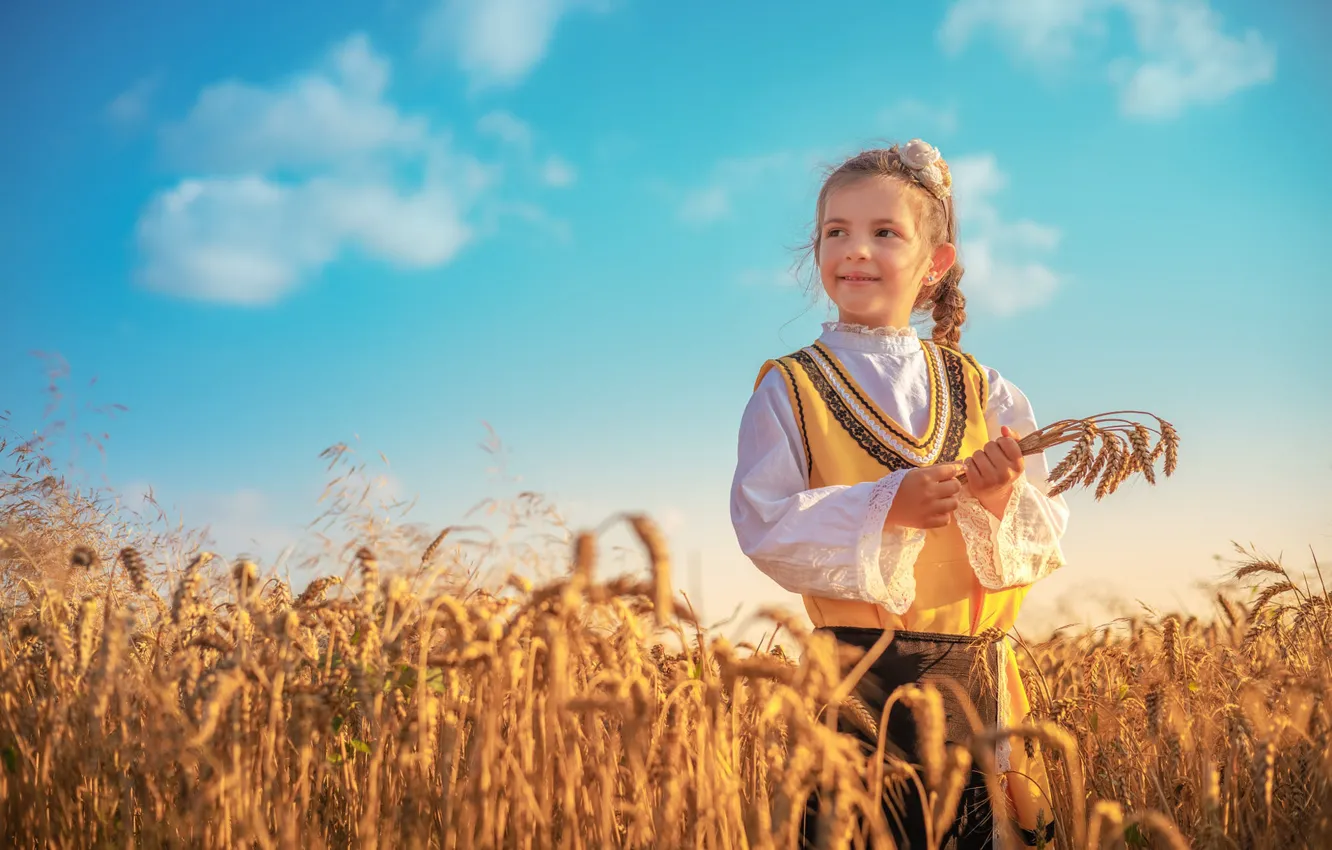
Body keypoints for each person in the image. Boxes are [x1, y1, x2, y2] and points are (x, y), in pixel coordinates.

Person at [730, 140, 1068, 848]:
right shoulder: (790, 388)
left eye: (885, 232)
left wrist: (1000, 498)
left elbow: (1044, 534)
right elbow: (765, 523)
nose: (856, 249)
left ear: (934, 263)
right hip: (859, 688)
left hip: (980, 687)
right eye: (836, 232)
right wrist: (888, 508)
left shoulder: (982, 388)